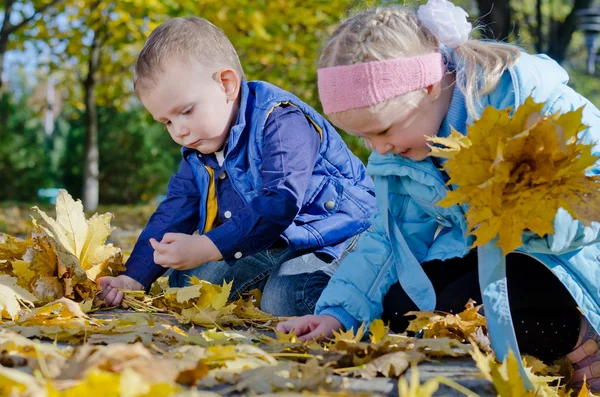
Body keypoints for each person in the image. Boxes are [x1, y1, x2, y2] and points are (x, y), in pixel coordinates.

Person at [277, 0, 600, 390]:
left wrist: (523, 206)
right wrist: (337, 315)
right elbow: (386, 239)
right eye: (363, 137)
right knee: (403, 309)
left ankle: (578, 335)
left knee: (469, 312)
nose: (378, 148)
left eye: (383, 130)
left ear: (428, 88)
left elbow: (588, 211)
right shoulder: (402, 150)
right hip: (490, 257)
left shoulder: (533, 108)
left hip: (566, 263)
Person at [97, 17, 376, 317]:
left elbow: (279, 202)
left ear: (226, 84)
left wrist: (207, 246)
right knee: (189, 284)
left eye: (186, 111)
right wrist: (134, 276)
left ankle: (361, 298)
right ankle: (269, 278)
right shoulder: (200, 149)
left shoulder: (280, 120)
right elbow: (173, 212)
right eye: (167, 122)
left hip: (340, 234)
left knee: (286, 298)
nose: (179, 131)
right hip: (275, 242)